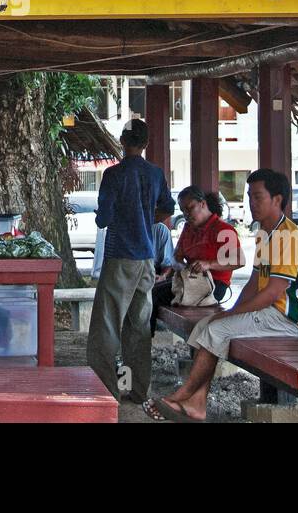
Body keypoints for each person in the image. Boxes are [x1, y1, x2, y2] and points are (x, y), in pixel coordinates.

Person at [155, 168, 298, 422]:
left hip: (286, 318)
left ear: (277, 200)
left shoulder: (288, 236)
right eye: (249, 196)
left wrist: (232, 315)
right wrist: (231, 312)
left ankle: (183, 393)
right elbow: (253, 282)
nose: (251, 203)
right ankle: (197, 403)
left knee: (217, 328)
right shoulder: (266, 232)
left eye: (258, 197)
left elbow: (273, 292)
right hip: (269, 313)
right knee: (208, 325)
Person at [86, 118, 175, 405]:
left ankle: (106, 390)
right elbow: (167, 209)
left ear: (123, 142)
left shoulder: (114, 175)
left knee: (107, 324)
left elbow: (104, 218)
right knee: (138, 326)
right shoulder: (155, 173)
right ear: (146, 143)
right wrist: (146, 222)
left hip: (120, 255)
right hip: (147, 258)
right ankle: (139, 391)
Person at [147, 186, 243, 339]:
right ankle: (148, 340)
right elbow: (176, 257)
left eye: (190, 208)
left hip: (213, 286)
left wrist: (209, 264)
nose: (186, 214)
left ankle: (147, 342)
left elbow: (239, 260)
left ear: (202, 204)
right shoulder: (188, 228)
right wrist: (179, 271)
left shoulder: (224, 229)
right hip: (189, 281)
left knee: (153, 295)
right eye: (183, 210)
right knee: (149, 290)